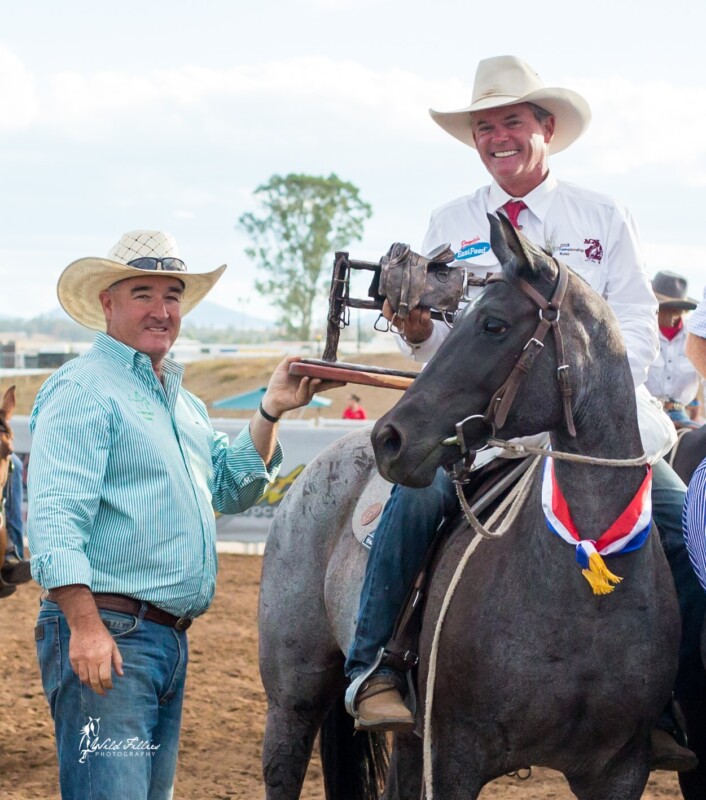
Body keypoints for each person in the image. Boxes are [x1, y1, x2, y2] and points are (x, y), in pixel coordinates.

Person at [344, 55, 703, 771]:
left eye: (511, 121)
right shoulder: (450, 222)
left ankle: (670, 700)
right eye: (484, 127)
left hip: (596, 432)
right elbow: (448, 350)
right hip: (486, 431)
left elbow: (632, 323)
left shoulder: (602, 217)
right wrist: (417, 328)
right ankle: (375, 665)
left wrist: (576, 376)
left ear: (546, 127)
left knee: (681, 529)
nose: (497, 137)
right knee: (413, 500)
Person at [27, 229, 341, 800]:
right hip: (112, 634)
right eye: (142, 293)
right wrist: (85, 625)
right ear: (108, 303)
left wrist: (270, 408)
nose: (161, 309)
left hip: (162, 639)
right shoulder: (83, 389)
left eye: (171, 295)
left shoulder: (182, 403)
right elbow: (54, 517)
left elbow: (227, 487)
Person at [646, 271, 703, 429]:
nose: (671, 316)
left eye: (675, 310)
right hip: (644, 410)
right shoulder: (642, 333)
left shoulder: (696, 339)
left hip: (679, 414)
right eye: (666, 309)